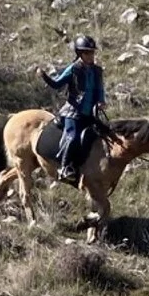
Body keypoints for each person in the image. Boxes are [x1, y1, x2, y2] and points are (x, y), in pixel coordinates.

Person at [40, 34, 105, 184]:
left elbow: (100, 89)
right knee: (73, 136)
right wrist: (44, 76)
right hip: (73, 112)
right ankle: (64, 168)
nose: (91, 55)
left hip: (90, 113)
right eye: (87, 53)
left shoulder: (97, 71)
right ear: (80, 54)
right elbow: (57, 84)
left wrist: (101, 101)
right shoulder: (73, 69)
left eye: (92, 52)